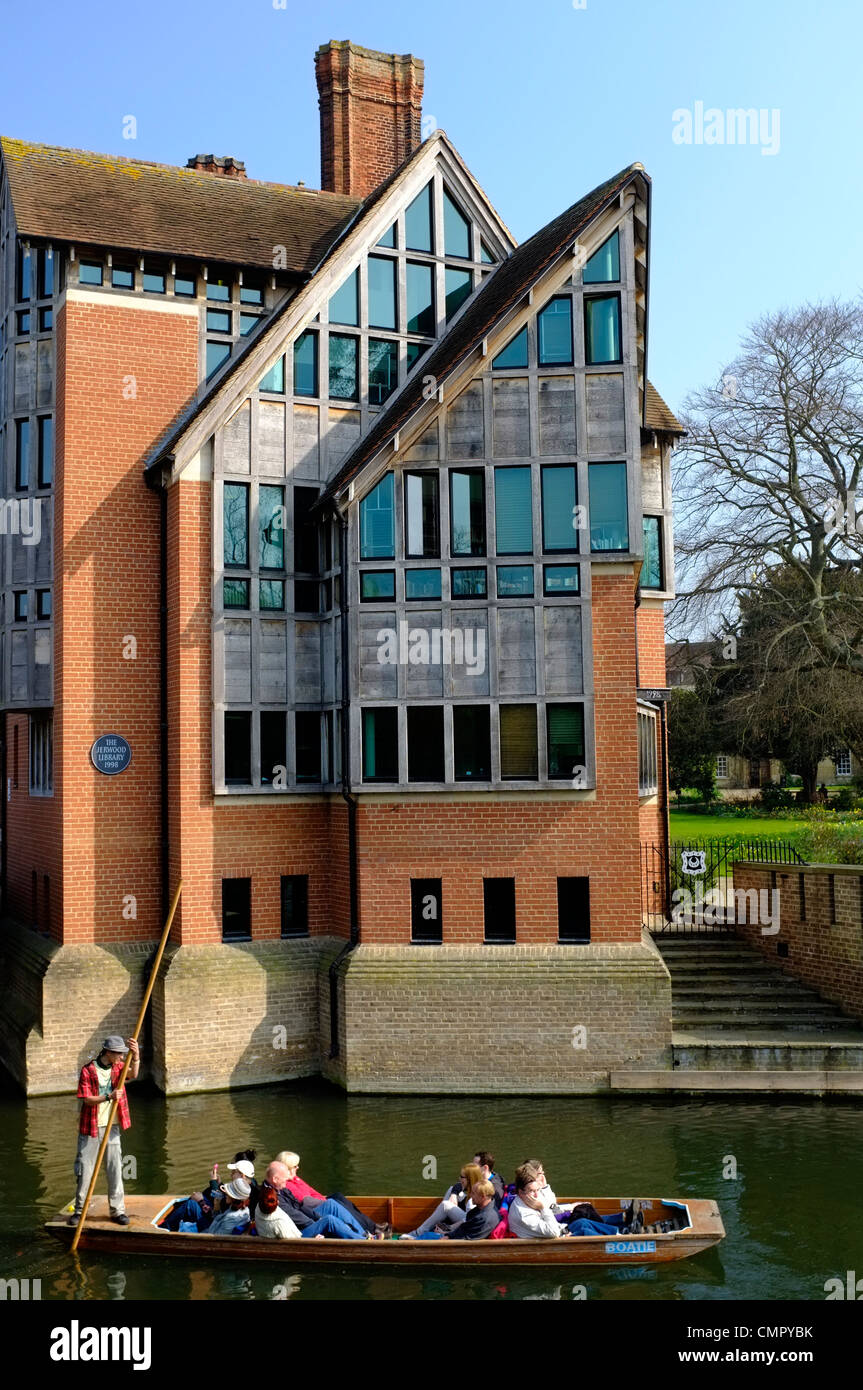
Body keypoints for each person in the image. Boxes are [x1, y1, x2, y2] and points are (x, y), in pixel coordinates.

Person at [69, 1035, 140, 1227]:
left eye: (122, 1054)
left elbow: (133, 1074)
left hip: (112, 1127)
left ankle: (118, 1211)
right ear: (108, 1052)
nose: (120, 1057)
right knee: (85, 1171)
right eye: (118, 1054)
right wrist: (109, 1096)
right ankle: (79, 1211)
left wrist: (136, 1056)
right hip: (90, 1128)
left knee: (115, 1170)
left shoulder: (119, 1067)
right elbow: (86, 1099)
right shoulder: (89, 1070)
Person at [509, 1164, 642, 1238]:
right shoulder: (523, 1214)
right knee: (584, 1231)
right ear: (520, 1192)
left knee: (582, 1222)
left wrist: (566, 1209)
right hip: (550, 1241)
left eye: (537, 1189)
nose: (536, 1194)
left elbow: (551, 1208)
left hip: (558, 1230)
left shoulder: (532, 1198)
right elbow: (552, 1232)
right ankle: (622, 1240)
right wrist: (543, 1208)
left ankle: (623, 1233)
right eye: (532, 1191)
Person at [274, 1150, 386, 1237]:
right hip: (309, 1210)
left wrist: (323, 1199)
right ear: (287, 1168)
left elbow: (311, 1191)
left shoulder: (294, 1179)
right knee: (332, 1204)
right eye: (295, 1166)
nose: (298, 1167)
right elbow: (304, 1201)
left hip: (312, 1206)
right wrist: (322, 1206)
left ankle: (368, 1229)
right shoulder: (285, 1185)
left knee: (337, 1197)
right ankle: (366, 1234)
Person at [263, 1162, 374, 1240]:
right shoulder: (270, 1196)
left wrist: (316, 1216)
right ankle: (363, 1242)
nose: (287, 1181)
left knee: (331, 1204)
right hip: (297, 1231)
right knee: (329, 1220)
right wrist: (318, 1222)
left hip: (303, 1220)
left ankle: (364, 1234)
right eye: (284, 1178)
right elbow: (294, 1216)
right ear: (275, 1179)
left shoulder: (282, 1188)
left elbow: (300, 1206)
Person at [164, 1151, 258, 1233]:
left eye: (233, 1172)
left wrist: (202, 1202)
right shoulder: (245, 1190)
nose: (231, 1174)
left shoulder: (233, 1213)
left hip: (213, 1227)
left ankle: (163, 1229)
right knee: (201, 1196)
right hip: (218, 1219)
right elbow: (220, 1212)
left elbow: (215, 1231)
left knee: (191, 1205)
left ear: (242, 1175)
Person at [402, 1163, 482, 1238]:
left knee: (445, 1205)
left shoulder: (474, 1199)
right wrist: (453, 1194)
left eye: (462, 1177)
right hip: (464, 1217)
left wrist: (450, 1228)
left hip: (467, 1222)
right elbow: (457, 1185)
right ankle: (436, 1227)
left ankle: (417, 1233)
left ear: (470, 1179)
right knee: (451, 1190)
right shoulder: (471, 1188)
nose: (459, 1178)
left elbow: (469, 1221)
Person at [409, 1181, 500, 1241]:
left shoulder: (484, 1217)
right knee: (429, 1233)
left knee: (427, 1236)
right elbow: (465, 1228)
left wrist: (447, 1237)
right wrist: (448, 1232)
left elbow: (467, 1238)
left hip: (455, 1243)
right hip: (455, 1235)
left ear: (483, 1196)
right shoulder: (482, 1208)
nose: (470, 1195)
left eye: (473, 1193)